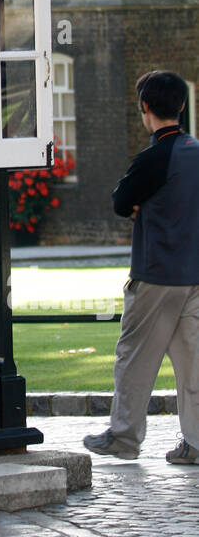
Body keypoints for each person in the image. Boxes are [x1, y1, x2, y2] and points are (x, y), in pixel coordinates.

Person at [84, 71, 199, 466]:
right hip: (195, 275)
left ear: (145, 108)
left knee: (134, 359)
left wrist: (141, 206)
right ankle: (196, 442)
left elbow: (121, 201)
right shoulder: (195, 151)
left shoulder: (153, 157)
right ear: (182, 106)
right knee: (193, 363)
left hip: (156, 273)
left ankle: (124, 436)